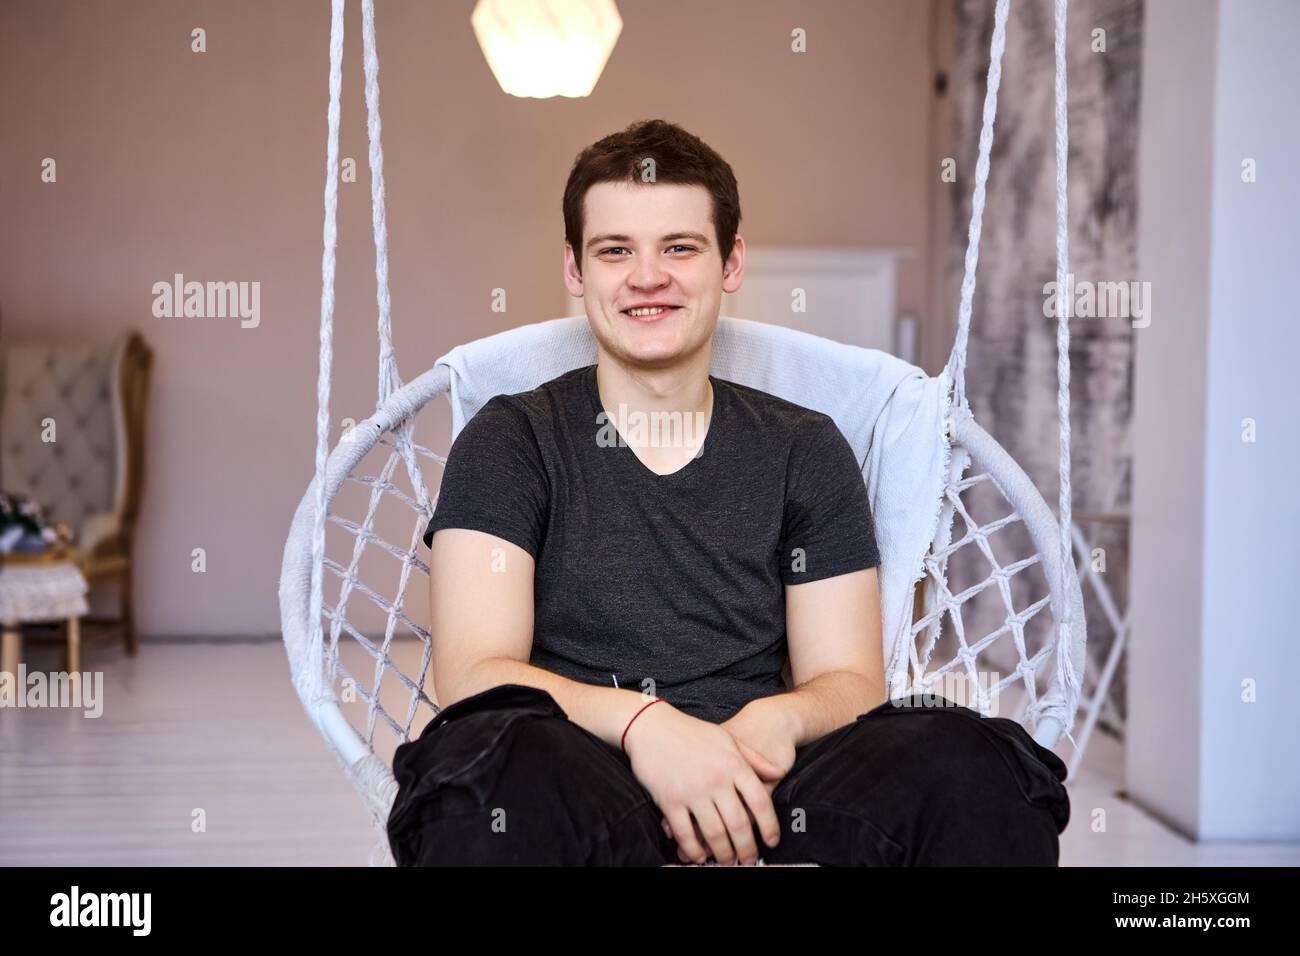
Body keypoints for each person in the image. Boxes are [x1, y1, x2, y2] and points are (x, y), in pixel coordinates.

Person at [385, 118, 1070, 866]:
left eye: (680, 247)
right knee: (483, 769)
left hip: (768, 783)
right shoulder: (513, 438)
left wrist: (775, 723)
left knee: (971, 764)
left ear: (730, 262)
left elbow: (846, 679)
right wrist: (650, 728)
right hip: (577, 771)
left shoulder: (803, 446)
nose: (648, 277)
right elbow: (473, 675)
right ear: (577, 271)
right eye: (616, 251)